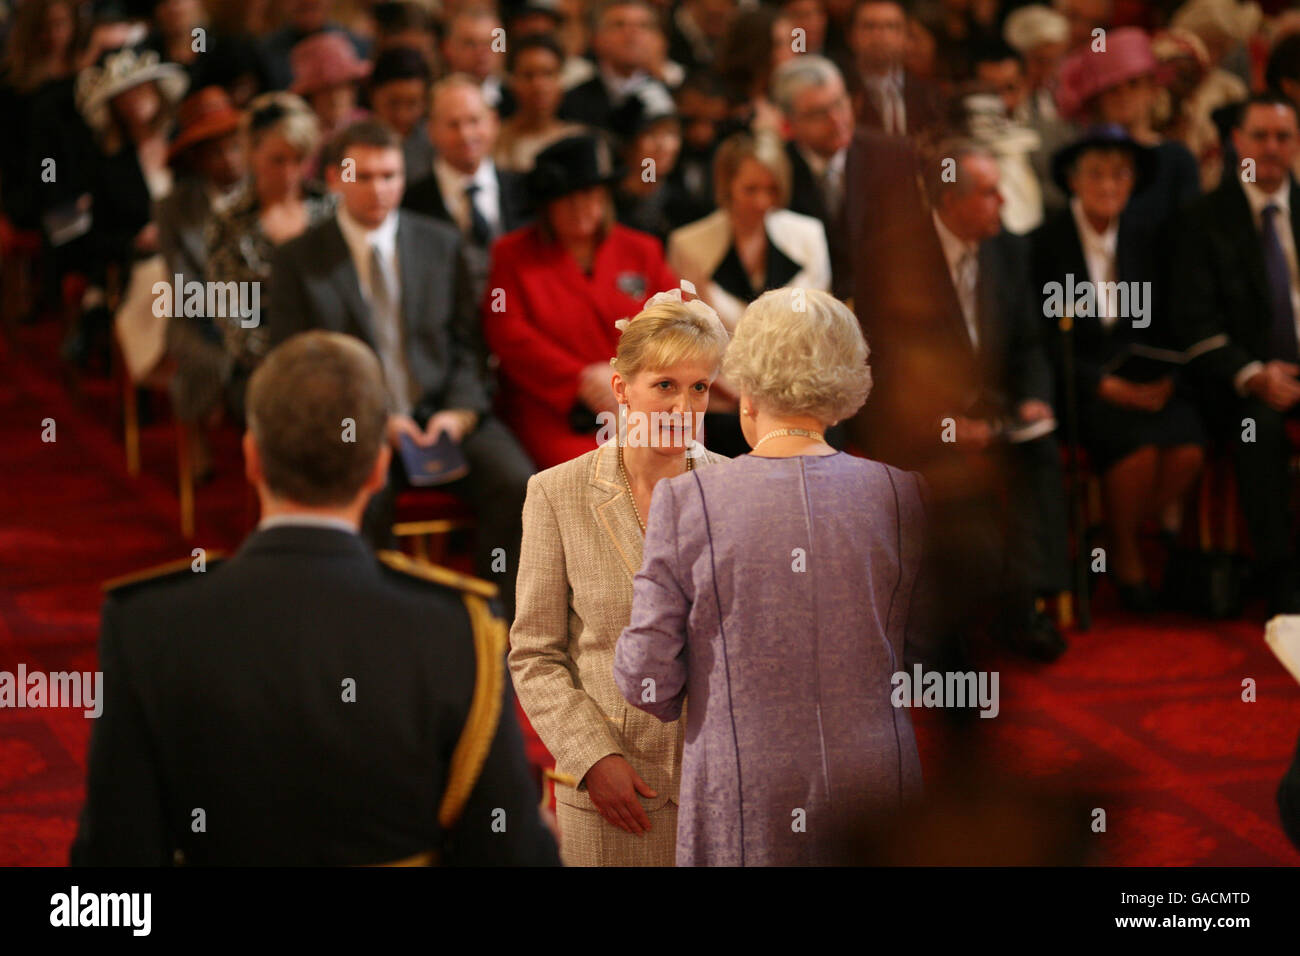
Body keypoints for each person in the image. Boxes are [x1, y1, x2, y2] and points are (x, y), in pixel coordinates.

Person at [71, 330, 559, 866]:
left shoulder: (147, 622)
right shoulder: (456, 626)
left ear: (252, 458)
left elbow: (112, 870)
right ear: (378, 469)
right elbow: (506, 852)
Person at [613, 288, 929, 866]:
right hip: (878, 781)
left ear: (746, 387)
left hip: (744, 790)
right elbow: (935, 655)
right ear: (846, 384)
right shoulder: (902, 493)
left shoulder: (689, 501)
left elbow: (647, 683)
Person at [269, 120, 534, 615]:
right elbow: (297, 368)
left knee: (519, 485)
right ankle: (379, 622)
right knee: (364, 500)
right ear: (334, 179)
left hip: (442, 411)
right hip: (355, 422)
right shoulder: (298, 259)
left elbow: (469, 346)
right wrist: (373, 420)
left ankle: (494, 621)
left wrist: (459, 413)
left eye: (389, 176)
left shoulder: (439, 242)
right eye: (363, 176)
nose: (379, 189)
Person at [510, 287, 731, 866]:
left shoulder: (739, 491)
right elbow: (535, 654)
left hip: (724, 795)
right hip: (612, 796)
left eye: (699, 388)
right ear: (620, 387)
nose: (683, 409)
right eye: (664, 386)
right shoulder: (555, 494)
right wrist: (591, 759)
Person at [854, 139, 1069, 661]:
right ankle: (938, 624)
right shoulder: (893, 257)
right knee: (940, 472)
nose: (1004, 204)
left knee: (1037, 454)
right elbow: (878, 365)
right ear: (951, 202)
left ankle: (1025, 607)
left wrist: (1035, 399)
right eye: (991, 193)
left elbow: (1030, 343)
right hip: (915, 417)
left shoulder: (1009, 249)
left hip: (993, 408)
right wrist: (940, 422)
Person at [1031, 125, 1205, 611]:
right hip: (1081, 387)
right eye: (1097, 175)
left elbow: (1170, 319)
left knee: (1188, 447)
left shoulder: (1148, 239)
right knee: (1138, 451)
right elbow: (1040, 336)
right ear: (1073, 180)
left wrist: (1164, 375)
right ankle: (1125, 556)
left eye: (1120, 175)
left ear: (1132, 182)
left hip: (1143, 382)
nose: (1109, 186)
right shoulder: (1046, 242)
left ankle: (1106, 535)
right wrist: (1102, 383)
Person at [1171, 94, 1300, 614]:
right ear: (1237, 142)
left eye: (1283, 137)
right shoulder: (1202, 220)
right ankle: (1280, 576)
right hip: (1241, 382)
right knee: (1259, 430)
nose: (1271, 148)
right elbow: (1193, 323)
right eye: (1260, 136)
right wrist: (1252, 374)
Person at [483, 133, 678, 470]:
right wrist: (583, 380)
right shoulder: (512, 255)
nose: (579, 208)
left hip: (641, 402)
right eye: (566, 199)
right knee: (590, 473)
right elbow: (507, 333)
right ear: (546, 207)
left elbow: (676, 323)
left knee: (673, 460)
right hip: (552, 409)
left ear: (604, 197)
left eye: (589, 194)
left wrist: (631, 384)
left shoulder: (641, 250)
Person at [667, 130, 830, 455]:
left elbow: (819, 331)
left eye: (771, 189)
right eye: (750, 190)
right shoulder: (688, 245)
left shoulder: (808, 234)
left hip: (800, 393)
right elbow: (693, 343)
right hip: (726, 402)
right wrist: (745, 399)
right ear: (726, 187)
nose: (762, 202)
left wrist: (789, 397)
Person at [205, 92, 337, 414]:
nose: (290, 173)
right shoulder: (230, 220)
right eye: (278, 160)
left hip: (332, 355)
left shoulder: (331, 209)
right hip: (261, 363)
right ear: (252, 154)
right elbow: (233, 314)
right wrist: (287, 367)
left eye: (300, 159)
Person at [157, 86, 248, 477]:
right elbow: (183, 283)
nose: (229, 161)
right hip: (198, 317)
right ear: (196, 159)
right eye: (216, 152)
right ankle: (193, 430)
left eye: (235, 147)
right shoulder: (174, 207)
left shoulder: (264, 194)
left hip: (262, 315)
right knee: (208, 360)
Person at [401, 74, 531, 298]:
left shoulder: (527, 190)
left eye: (474, 121)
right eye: (453, 124)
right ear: (431, 131)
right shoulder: (410, 203)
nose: (465, 134)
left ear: (494, 122)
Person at [771, 55, 855, 299]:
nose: (836, 120)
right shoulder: (776, 172)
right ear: (789, 123)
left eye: (839, 104)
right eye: (819, 113)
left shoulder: (891, 158)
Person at [559, 0, 671, 133]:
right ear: (596, 38)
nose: (632, 34)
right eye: (619, 25)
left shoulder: (671, 97)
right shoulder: (571, 103)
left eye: (643, 26)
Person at [845, 0, 945, 141]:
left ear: (905, 36)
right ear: (851, 36)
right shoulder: (840, 91)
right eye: (869, 26)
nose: (880, 35)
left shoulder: (930, 95)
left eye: (891, 27)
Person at [495, 33, 585, 174]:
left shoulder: (580, 141)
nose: (539, 85)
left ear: (561, 80)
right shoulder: (492, 141)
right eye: (528, 75)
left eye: (548, 73)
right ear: (512, 82)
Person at [289, 30, 371, 182]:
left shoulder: (366, 126)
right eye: (326, 90)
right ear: (310, 96)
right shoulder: (297, 136)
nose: (336, 97)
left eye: (343, 86)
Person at [367, 46, 433, 187]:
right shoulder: (351, 145)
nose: (402, 116)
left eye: (412, 104)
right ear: (372, 95)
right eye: (393, 103)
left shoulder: (436, 142)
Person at [441, 6, 505, 111]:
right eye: (470, 43)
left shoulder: (517, 99)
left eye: (490, 43)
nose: (481, 52)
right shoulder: (429, 100)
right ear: (448, 48)